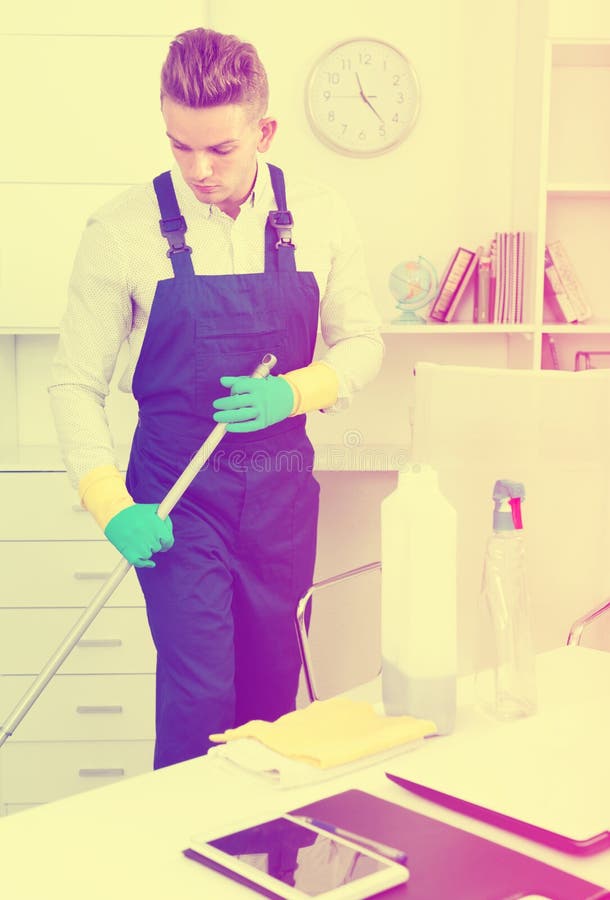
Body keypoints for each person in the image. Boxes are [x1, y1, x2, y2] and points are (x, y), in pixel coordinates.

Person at [48, 27, 384, 770]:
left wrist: (293, 392)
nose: (199, 169)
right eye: (180, 146)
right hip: (177, 502)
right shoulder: (120, 231)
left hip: (281, 501)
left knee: (272, 705)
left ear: (265, 131)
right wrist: (110, 503)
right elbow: (74, 382)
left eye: (221, 149)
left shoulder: (322, 214)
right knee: (199, 700)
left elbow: (363, 342)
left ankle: (266, 843)